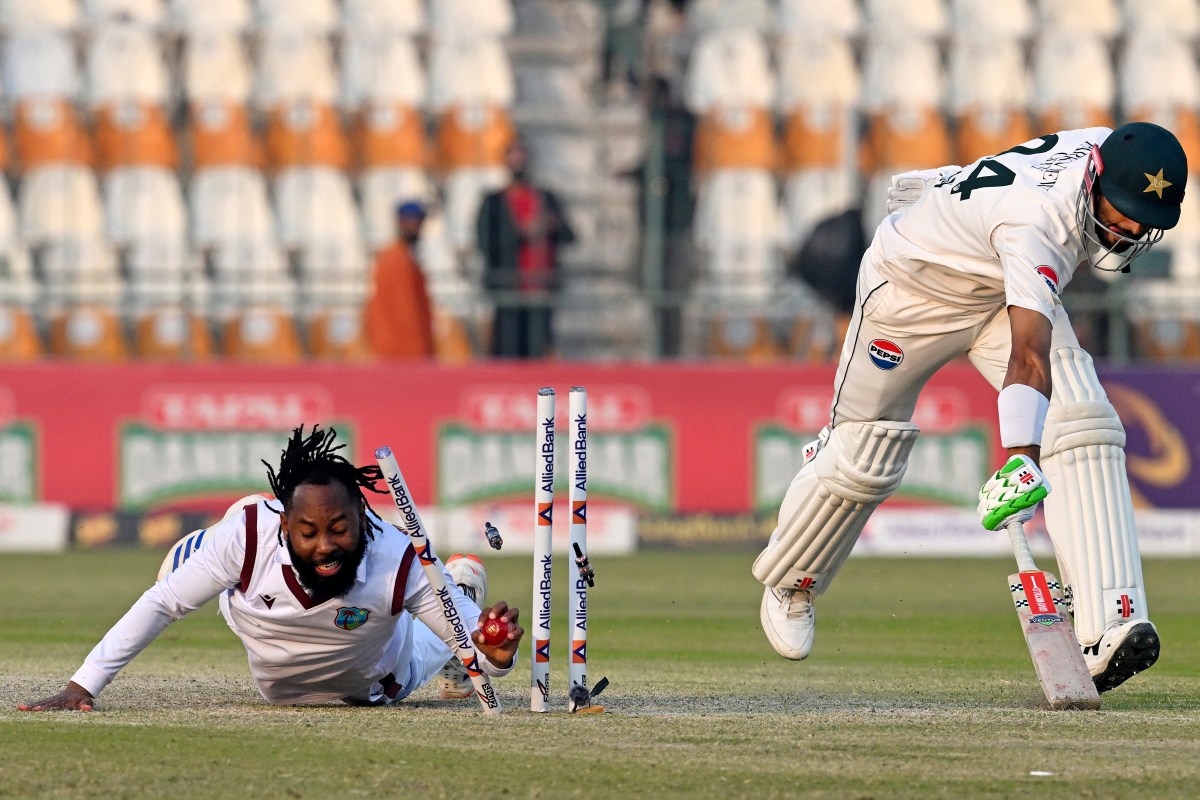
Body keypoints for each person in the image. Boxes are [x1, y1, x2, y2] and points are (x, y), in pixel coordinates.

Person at [753, 122, 1186, 694]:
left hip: (996, 287)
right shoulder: (1039, 223)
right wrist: (1022, 461)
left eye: (1143, 222)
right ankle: (791, 579)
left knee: (1082, 421)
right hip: (912, 291)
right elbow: (1029, 358)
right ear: (1095, 177)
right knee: (864, 452)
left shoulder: (1111, 149)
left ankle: (1107, 621)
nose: (1128, 229)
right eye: (1122, 211)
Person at [18, 425, 522, 710]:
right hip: (257, 623)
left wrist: (495, 652)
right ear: (286, 526)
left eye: (340, 529)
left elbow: (491, 650)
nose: (326, 546)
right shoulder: (252, 535)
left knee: (435, 639)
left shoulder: (398, 558)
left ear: (362, 519)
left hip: (372, 683)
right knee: (200, 558)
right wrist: (81, 686)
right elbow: (164, 603)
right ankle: (198, 549)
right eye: (309, 532)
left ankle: (464, 586)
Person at [476, 140, 576, 358]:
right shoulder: (494, 202)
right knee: (508, 349)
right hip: (508, 288)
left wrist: (552, 225)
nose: (518, 162)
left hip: (540, 289)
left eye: (521, 156)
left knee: (538, 350)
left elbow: (570, 236)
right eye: (513, 156)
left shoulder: (545, 198)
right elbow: (484, 241)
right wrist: (522, 234)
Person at [364, 200, 435, 359]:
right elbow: (404, 311)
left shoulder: (404, 257)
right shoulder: (395, 258)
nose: (420, 227)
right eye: (415, 221)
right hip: (400, 353)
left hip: (404, 350)